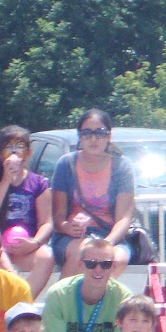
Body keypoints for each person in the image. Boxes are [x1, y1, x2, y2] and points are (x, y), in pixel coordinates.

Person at [38, 238, 133, 332]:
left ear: (113, 266)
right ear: (80, 264)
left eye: (105, 264)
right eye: (91, 263)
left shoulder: (123, 297)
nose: (98, 270)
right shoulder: (58, 294)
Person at [48, 111, 137, 276]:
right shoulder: (66, 164)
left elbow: (123, 218)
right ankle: (64, 300)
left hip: (110, 237)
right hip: (72, 238)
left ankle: (100, 301)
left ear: (109, 136)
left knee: (116, 260)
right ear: (79, 137)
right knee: (84, 254)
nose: (94, 139)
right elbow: (58, 217)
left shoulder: (122, 166)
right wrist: (68, 227)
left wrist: (106, 243)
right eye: (87, 133)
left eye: (100, 133)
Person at [0, 125, 54, 295]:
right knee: (2, 262)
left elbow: (46, 222)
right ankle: (13, 298)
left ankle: (22, 302)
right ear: (0, 153)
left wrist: (35, 242)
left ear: (28, 153)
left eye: (19, 146)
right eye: (8, 147)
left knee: (46, 257)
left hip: (24, 245)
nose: (14, 152)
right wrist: (5, 180)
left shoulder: (38, 183)